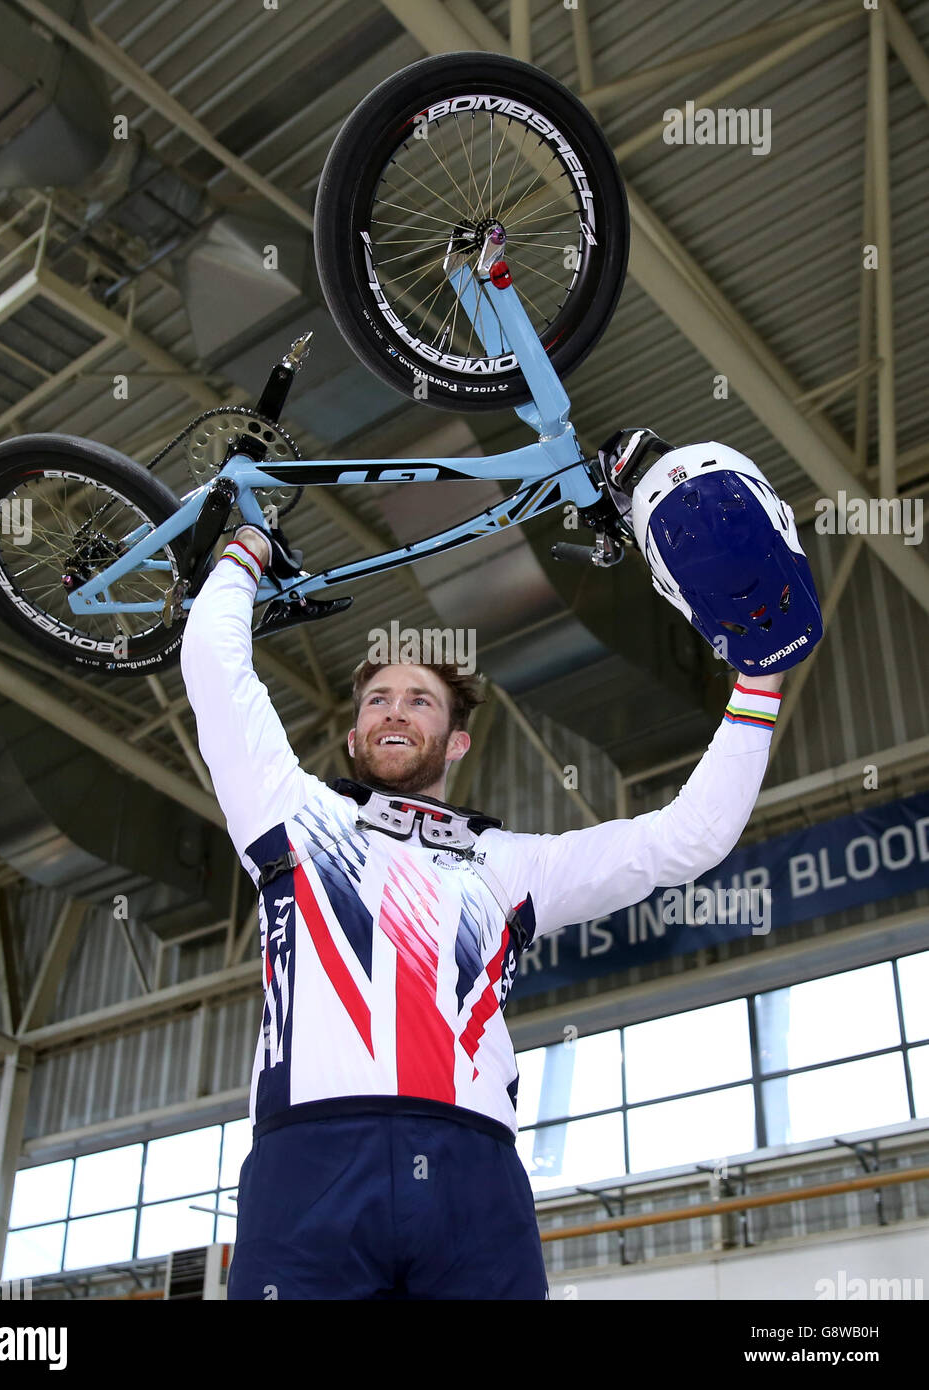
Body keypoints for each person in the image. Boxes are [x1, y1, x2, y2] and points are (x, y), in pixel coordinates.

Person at [179, 431, 820, 1300]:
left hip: (471, 1170)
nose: (393, 711)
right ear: (353, 732)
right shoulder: (292, 813)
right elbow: (214, 670)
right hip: (309, 1165)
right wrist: (244, 552)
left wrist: (757, 683)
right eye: (376, 700)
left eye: (418, 699)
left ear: (457, 739)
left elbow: (683, 842)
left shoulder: (514, 867)